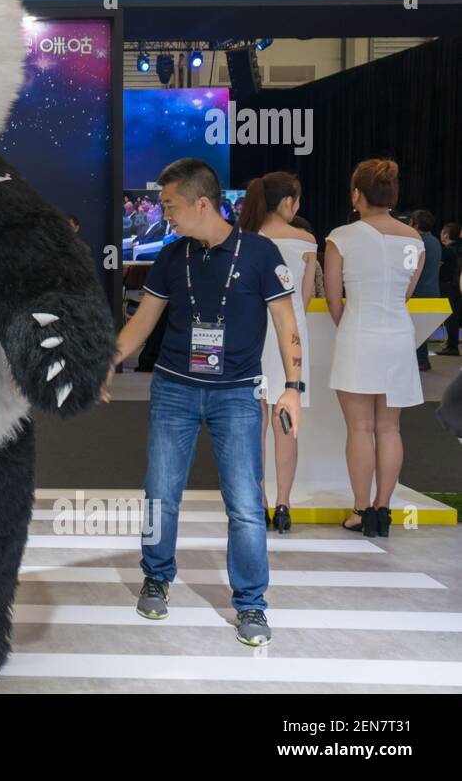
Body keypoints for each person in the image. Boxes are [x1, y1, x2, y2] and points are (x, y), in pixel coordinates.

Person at [102, 159, 303, 648]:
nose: (164, 213)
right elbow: (143, 322)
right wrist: (104, 361)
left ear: (202, 203)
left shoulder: (259, 254)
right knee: (159, 492)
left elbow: (285, 325)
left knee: (245, 504)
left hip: (237, 393)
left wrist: (293, 388)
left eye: (170, 205)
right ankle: (157, 577)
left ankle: (251, 604)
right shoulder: (173, 258)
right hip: (173, 389)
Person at [326, 160, 424, 537]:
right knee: (389, 428)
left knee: (360, 429)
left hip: (358, 335)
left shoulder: (342, 237)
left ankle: (361, 510)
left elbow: (335, 299)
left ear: (356, 194)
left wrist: (348, 324)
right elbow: (407, 292)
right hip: (399, 337)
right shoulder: (414, 240)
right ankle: (384, 511)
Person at [238, 173, 315, 534]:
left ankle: (259, 501)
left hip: (254, 335)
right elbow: (307, 297)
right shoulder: (307, 241)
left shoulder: (246, 240)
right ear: (288, 202)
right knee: (288, 425)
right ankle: (284, 504)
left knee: (255, 425)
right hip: (292, 339)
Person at [408, 210, 441, 370]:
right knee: (421, 329)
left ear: (416, 224)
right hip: (433, 291)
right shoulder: (435, 241)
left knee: (414, 330)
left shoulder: (416, 242)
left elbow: (411, 270)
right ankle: (422, 359)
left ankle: (420, 360)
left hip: (417, 292)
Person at [439, 222, 460, 356]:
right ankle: (452, 344)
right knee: (454, 315)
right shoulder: (458, 249)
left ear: (446, 235)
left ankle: (452, 346)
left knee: (450, 317)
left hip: (447, 286)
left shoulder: (446, 251)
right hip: (457, 286)